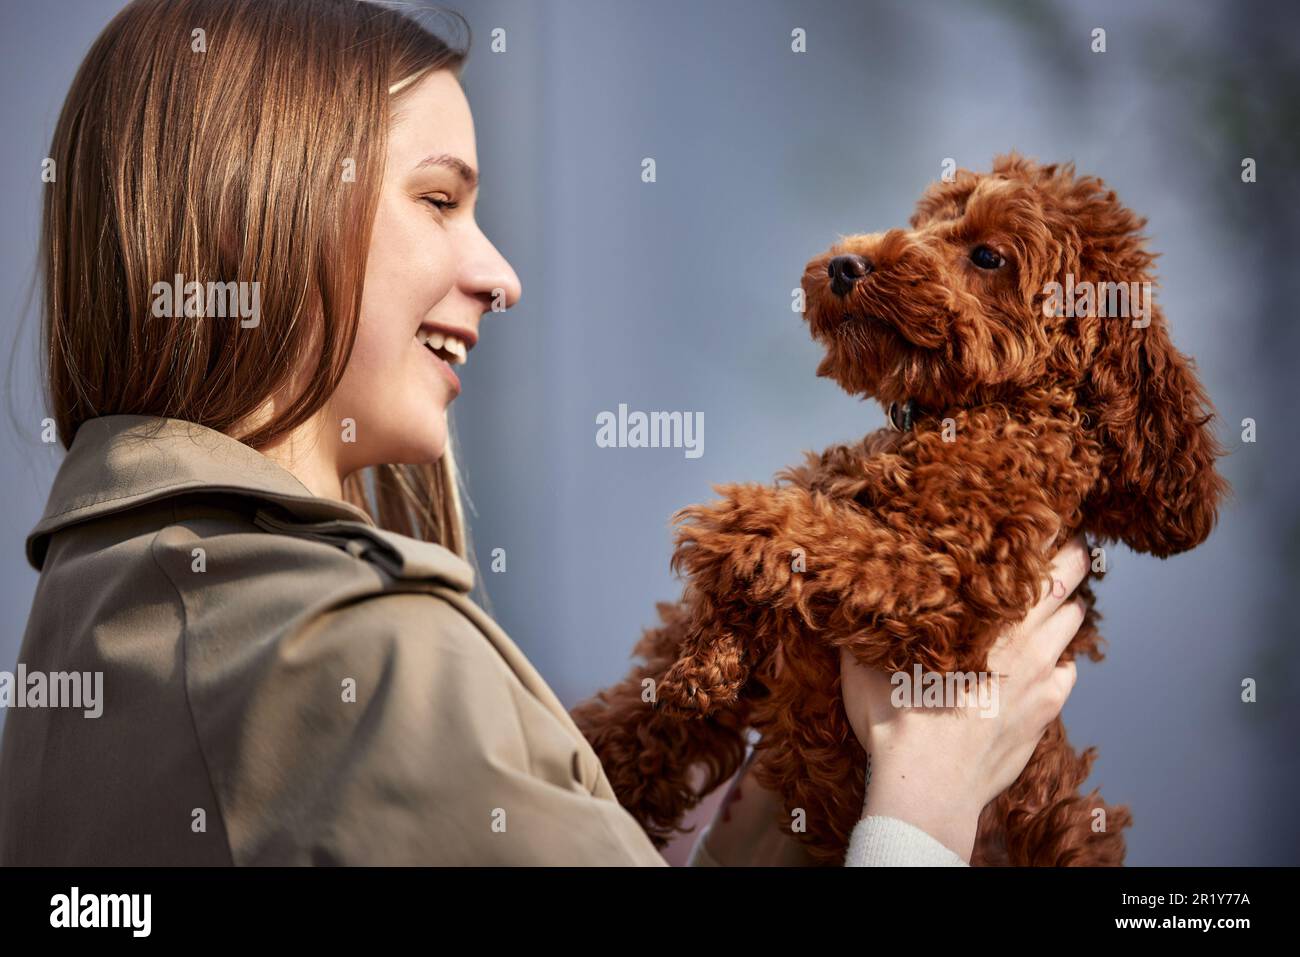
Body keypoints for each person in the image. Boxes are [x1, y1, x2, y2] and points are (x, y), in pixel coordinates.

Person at [0, 0, 1085, 866]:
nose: (501, 276)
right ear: (260, 209)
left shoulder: (107, 612)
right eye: (438, 201)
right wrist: (927, 791)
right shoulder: (355, 660)